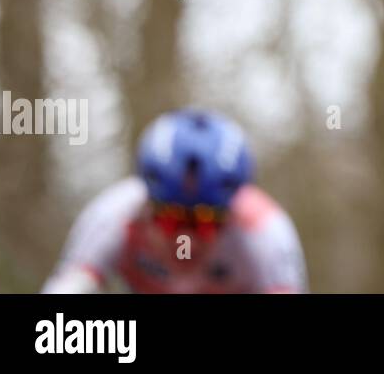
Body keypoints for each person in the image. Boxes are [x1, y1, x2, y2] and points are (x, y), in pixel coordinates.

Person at [42, 108, 308, 293]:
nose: (186, 241)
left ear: (231, 213)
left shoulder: (265, 231)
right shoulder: (115, 214)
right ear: (147, 206)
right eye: (170, 220)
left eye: (205, 222)